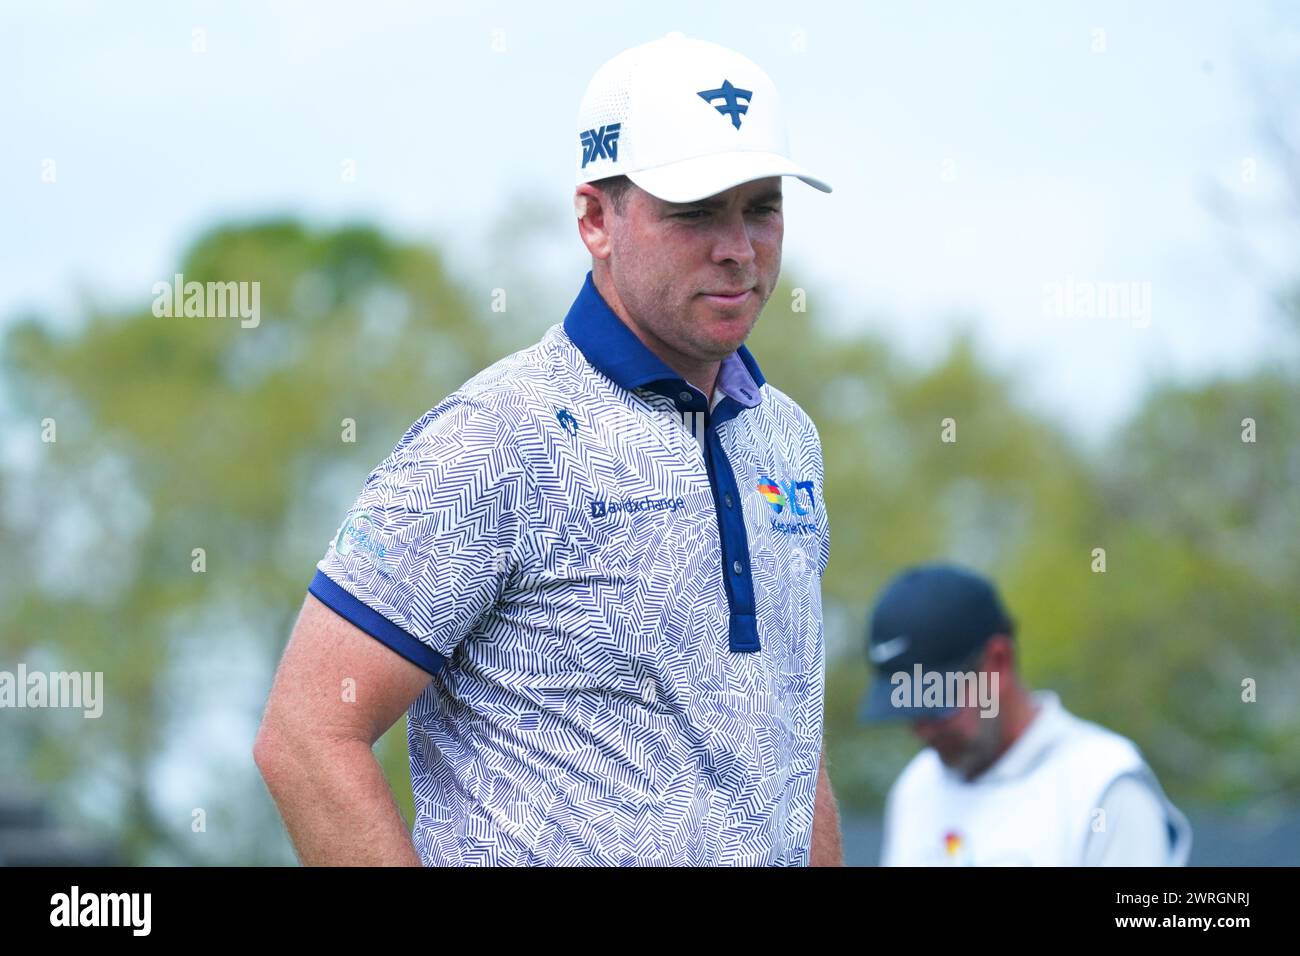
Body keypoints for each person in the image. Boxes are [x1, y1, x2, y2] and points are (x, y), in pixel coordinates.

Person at [254, 32, 840, 866]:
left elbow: (790, 725)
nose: (738, 248)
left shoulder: (788, 438)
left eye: (761, 207)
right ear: (597, 220)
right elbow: (307, 736)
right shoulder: (497, 435)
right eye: (696, 211)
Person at [861, 564, 1192, 866]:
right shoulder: (916, 789)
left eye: (935, 704)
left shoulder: (1103, 785)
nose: (923, 730)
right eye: (907, 709)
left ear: (998, 662)